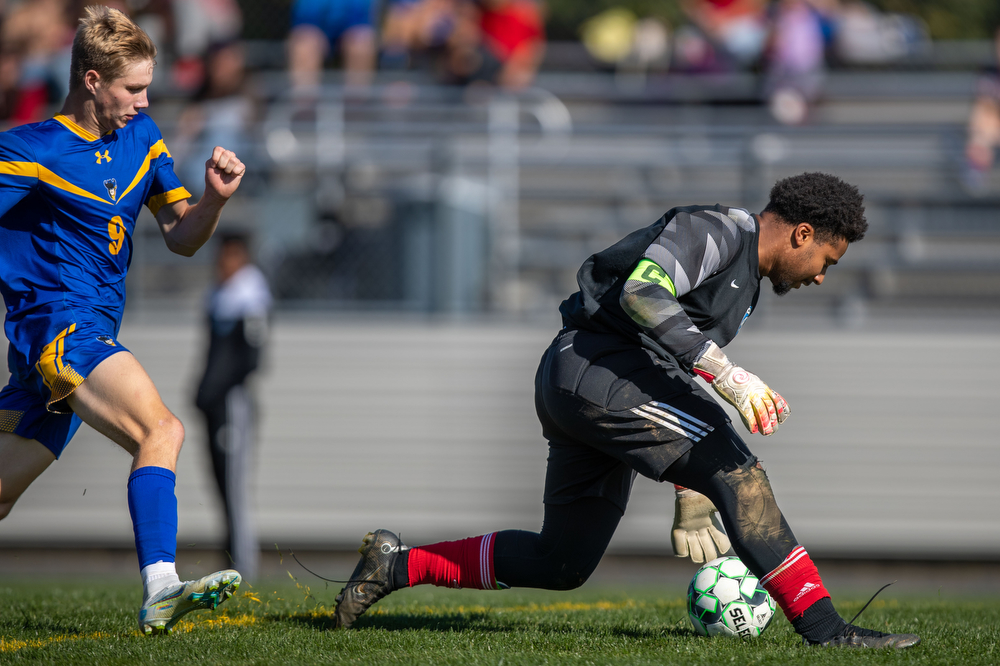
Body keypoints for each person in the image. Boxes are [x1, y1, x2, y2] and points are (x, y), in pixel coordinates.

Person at [332, 173, 921, 650]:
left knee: (562, 560)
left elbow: (672, 371)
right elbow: (644, 292)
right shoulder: (717, 230)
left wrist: (691, 486)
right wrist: (728, 378)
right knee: (743, 476)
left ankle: (396, 565)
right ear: (803, 233)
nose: (822, 276)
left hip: (592, 383)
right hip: (598, 371)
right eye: (828, 260)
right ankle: (826, 631)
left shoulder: (746, 280)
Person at [0, 6, 245, 635]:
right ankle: (161, 585)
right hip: (60, 331)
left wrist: (213, 199)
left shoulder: (143, 138)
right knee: (160, 429)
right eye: (132, 87)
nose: (143, 100)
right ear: (90, 80)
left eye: (147, 86)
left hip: (83, 338)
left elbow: (182, 236)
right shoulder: (31, 149)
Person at [195, 231, 271, 582]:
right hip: (213, 405)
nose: (222, 263)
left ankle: (243, 566)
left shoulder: (251, 294)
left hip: (234, 404)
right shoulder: (217, 294)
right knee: (220, 483)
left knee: (235, 485)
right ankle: (229, 560)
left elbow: (251, 360)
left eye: (230, 255)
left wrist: (215, 389)